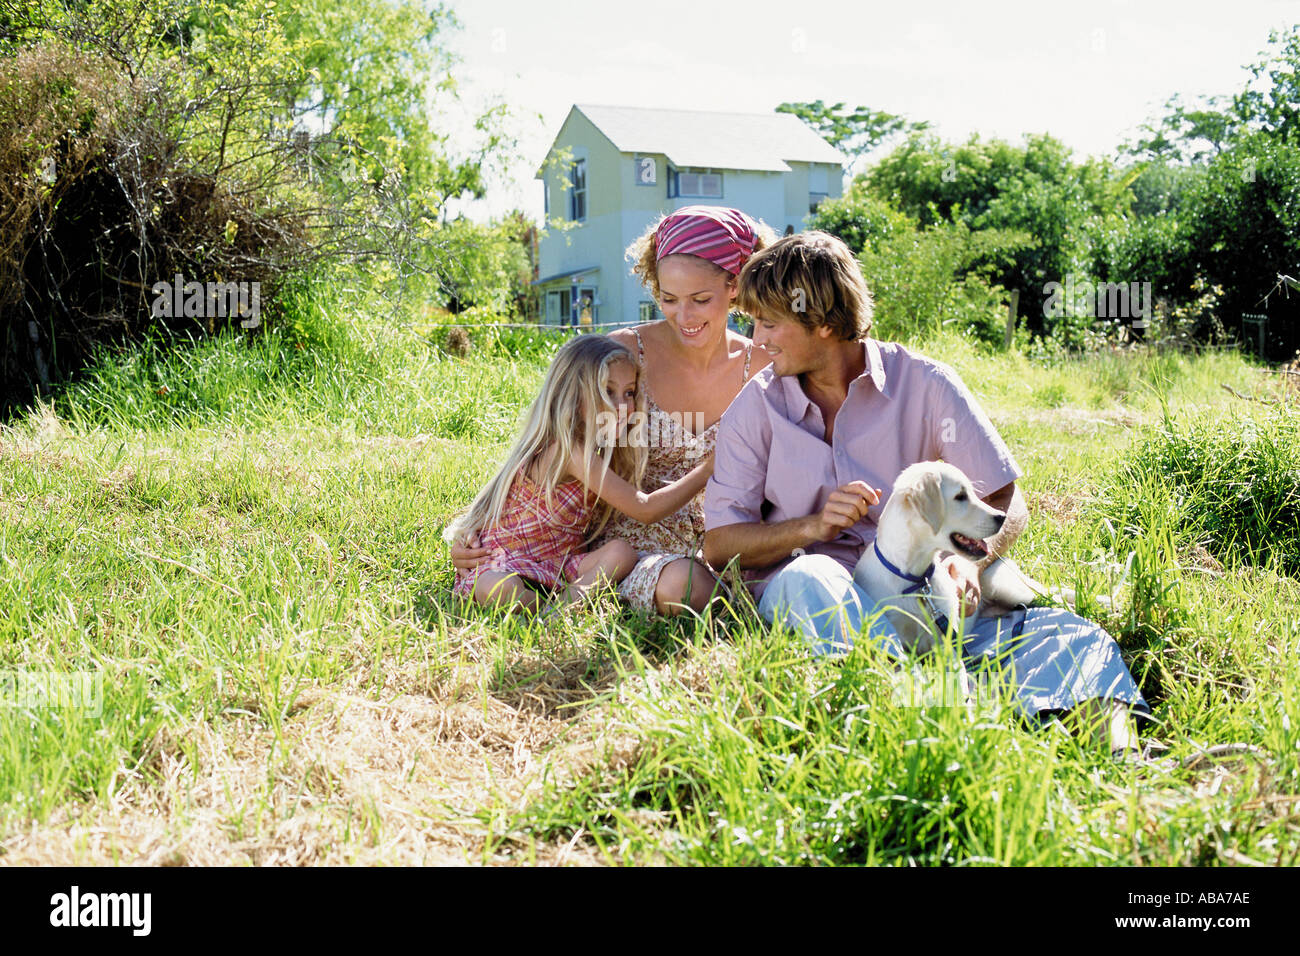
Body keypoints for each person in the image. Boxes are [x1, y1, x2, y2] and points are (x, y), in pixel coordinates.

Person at [702, 231, 1150, 756]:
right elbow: (719, 545)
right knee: (810, 574)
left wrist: (971, 565)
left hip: (924, 599)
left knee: (1073, 637)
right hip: (819, 603)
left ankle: (1127, 766)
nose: (757, 339)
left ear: (823, 323)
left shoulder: (926, 384)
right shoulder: (755, 410)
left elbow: (1006, 500)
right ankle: (948, 720)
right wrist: (810, 527)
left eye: (770, 323)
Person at [451, 205, 777, 615]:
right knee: (686, 588)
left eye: (700, 299)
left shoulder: (763, 364)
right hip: (635, 544)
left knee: (760, 586)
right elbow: (546, 440)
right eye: (669, 299)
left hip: (729, 535)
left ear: (735, 285)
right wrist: (473, 532)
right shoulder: (623, 355)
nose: (683, 316)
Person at [445, 334, 711, 613]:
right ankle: (553, 612)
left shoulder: (596, 449)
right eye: (607, 391)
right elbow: (644, 509)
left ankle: (560, 605)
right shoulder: (568, 451)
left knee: (621, 552)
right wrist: (707, 468)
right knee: (497, 587)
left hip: (558, 562)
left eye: (629, 392)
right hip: (509, 561)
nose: (623, 405)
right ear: (573, 395)